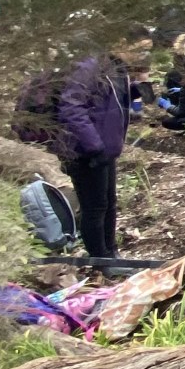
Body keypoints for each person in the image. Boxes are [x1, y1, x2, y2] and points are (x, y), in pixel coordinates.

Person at [49, 28, 151, 259]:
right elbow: (71, 107)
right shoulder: (91, 67)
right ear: (122, 42)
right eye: (140, 49)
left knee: (109, 203)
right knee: (94, 208)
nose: (143, 55)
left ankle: (111, 252)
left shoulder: (115, 67)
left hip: (105, 150)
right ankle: (99, 259)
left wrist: (139, 88)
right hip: (85, 151)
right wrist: (94, 145)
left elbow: (115, 101)